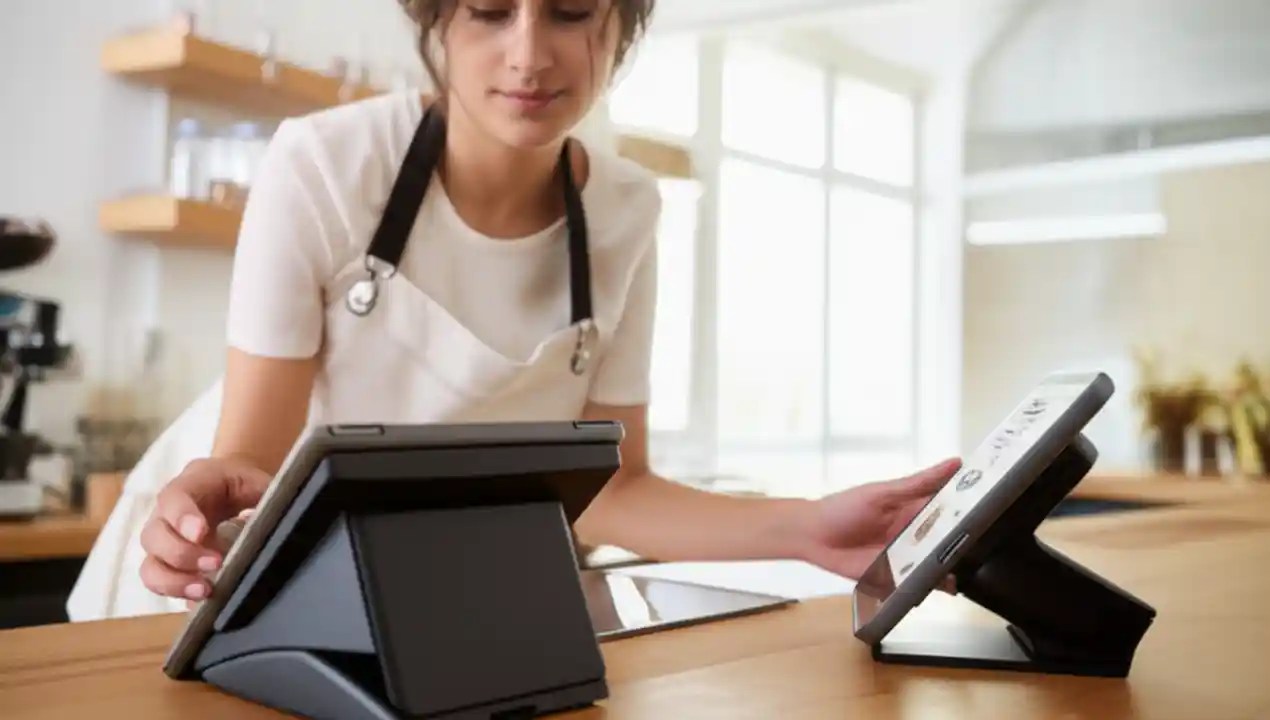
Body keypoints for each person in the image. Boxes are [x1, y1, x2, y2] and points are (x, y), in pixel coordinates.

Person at [71, 0, 960, 616]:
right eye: (490, 11)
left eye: (571, 12)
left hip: (420, 588)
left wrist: (806, 529)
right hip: (214, 566)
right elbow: (251, 470)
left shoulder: (626, 211)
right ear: (438, 23)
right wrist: (204, 514)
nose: (529, 54)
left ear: (621, 24)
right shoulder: (323, 164)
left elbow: (610, 488)